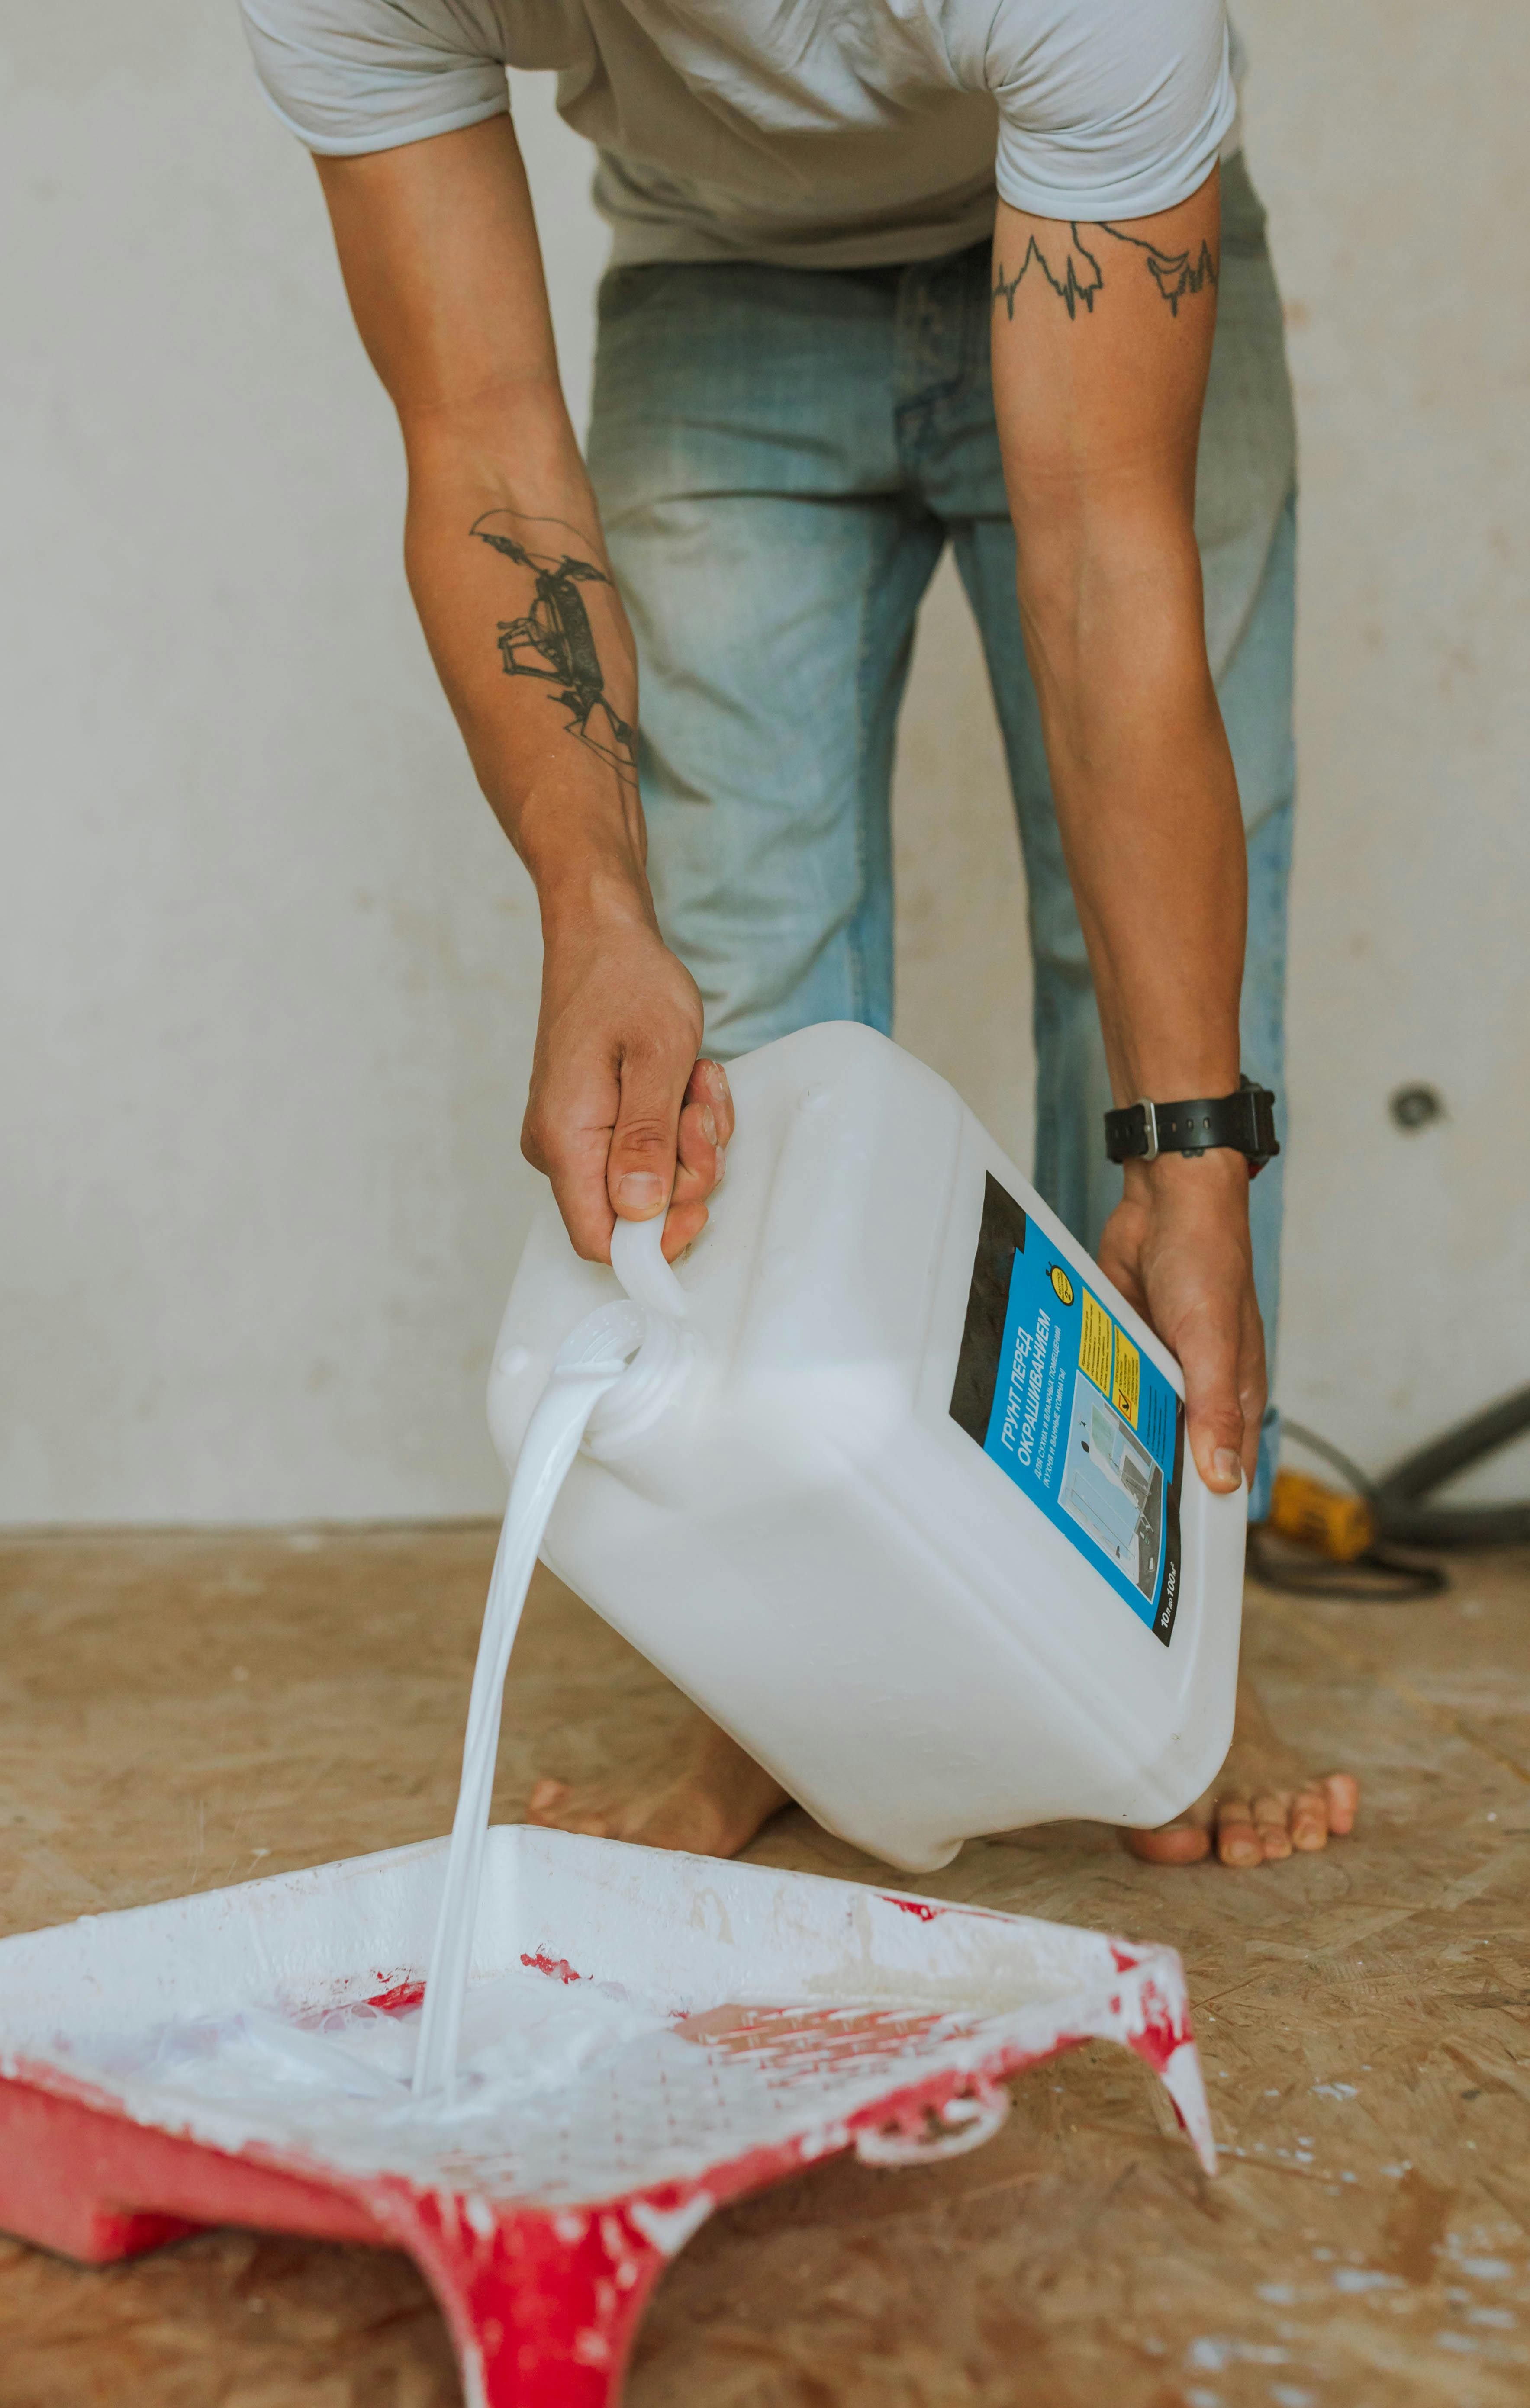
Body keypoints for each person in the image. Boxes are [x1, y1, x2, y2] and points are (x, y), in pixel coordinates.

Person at [242, 0, 1356, 1870]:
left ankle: (1171, 1657)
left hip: (1090, 225)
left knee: (1165, 1041)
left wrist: (1196, 1147)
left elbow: (1109, 563)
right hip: (718, 285)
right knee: (729, 1011)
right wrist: (594, 909)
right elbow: (484, 449)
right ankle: (773, 1702)